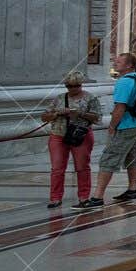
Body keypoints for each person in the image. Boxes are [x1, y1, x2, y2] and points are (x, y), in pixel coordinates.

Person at [90, 52, 136, 207]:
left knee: (109, 158)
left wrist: (112, 126)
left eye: (119, 61)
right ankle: (132, 189)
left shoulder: (124, 82)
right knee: (133, 157)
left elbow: (120, 107)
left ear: (129, 65)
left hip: (126, 125)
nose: (115, 63)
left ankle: (97, 196)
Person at [39, 69, 102, 208]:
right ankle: (55, 198)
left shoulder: (90, 98)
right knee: (57, 168)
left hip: (80, 135)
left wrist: (80, 113)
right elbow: (44, 116)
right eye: (69, 86)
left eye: (76, 86)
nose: (72, 89)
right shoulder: (60, 98)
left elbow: (97, 117)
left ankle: (83, 197)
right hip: (58, 134)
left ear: (81, 84)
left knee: (82, 167)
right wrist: (56, 114)